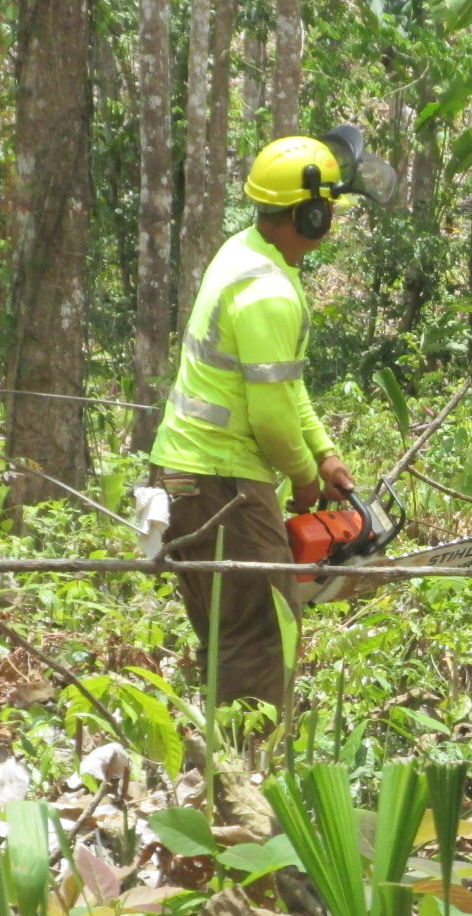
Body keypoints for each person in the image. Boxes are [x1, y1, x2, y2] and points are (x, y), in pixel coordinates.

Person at [148, 127, 393, 707]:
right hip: (222, 482)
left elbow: (284, 387)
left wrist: (325, 453)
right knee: (262, 635)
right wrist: (304, 481)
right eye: (327, 208)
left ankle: (221, 756)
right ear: (310, 215)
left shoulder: (245, 252)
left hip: (188, 475)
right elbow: (272, 417)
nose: (330, 219)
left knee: (229, 631)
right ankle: (250, 758)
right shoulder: (269, 293)